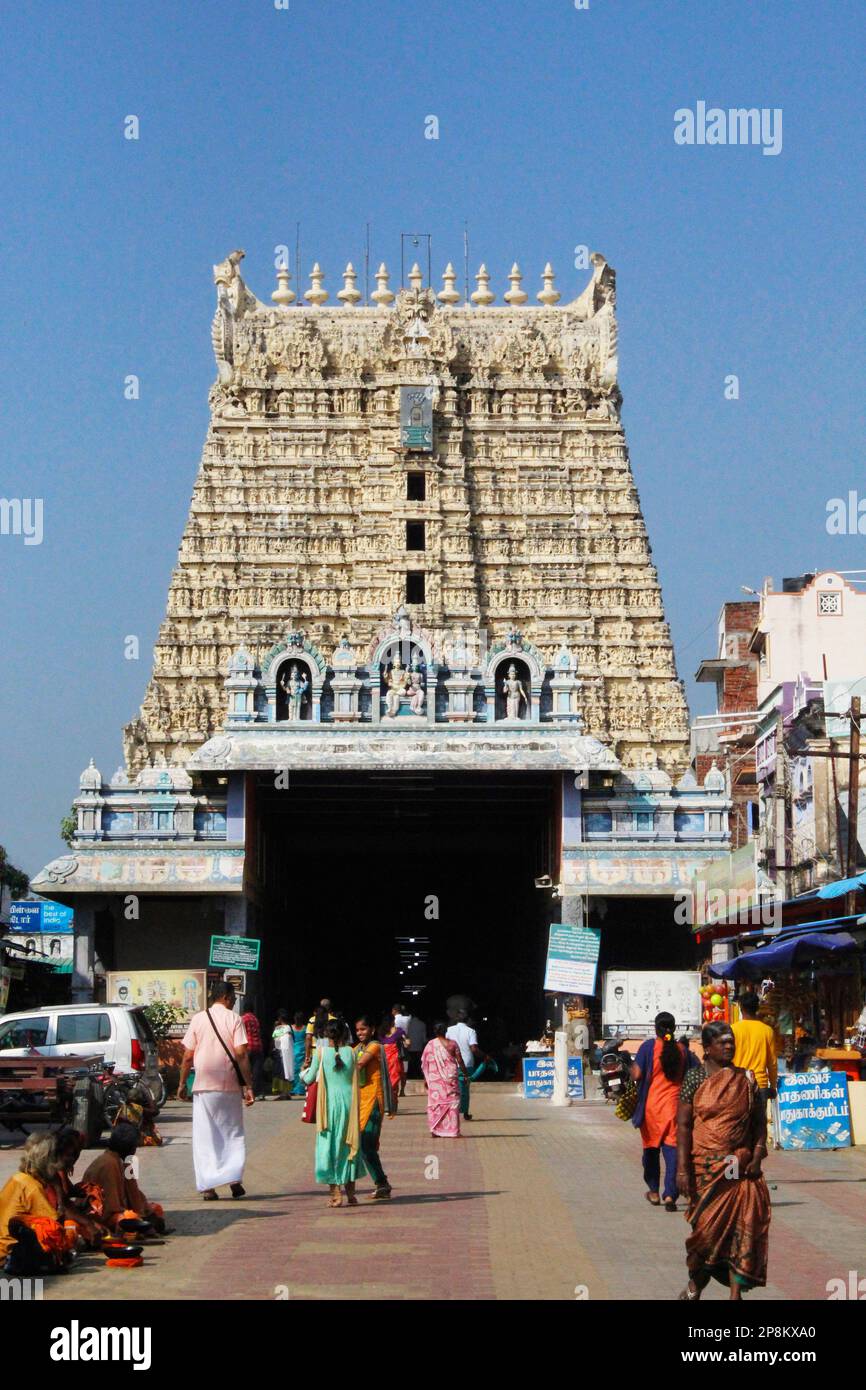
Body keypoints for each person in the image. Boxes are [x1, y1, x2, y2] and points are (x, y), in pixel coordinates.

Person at [676, 1022, 771, 1301]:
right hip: (704, 1167)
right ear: (707, 1048)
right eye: (722, 1042)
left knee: (741, 1227)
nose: (729, 1046)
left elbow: (758, 1123)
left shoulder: (747, 1079)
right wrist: (681, 1169)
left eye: (731, 1042)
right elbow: (682, 1125)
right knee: (705, 1235)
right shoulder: (695, 1078)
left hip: (737, 1166)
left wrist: (757, 1151)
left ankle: (735, 1293)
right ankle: (696, 1286)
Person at [179, 979, 254, 1201]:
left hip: (203, 1088)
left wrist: (182, 1084)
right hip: (229, 1087)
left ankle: (208, 1187)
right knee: (232, 1133)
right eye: (232, 1000)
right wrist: (248, 1085)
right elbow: (241, 1053)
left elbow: (187, 1056)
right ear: (227, 998)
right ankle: (234, 1180)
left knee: (206, 1137)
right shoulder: (234, 1019)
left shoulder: (198, 1019)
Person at [631, 1012, 696, 1212]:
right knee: (672, 1153)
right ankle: (670, 1195)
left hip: (651, 1110)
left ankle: (653, 1191)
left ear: (656, 1029)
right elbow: (698, 1070)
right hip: (675, 1109)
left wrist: (630, 1067)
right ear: (674, 1028)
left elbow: (638, 1074)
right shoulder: (683, 1051)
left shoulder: (649, 1047)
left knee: (650, 1152)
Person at [300, 1018, 361, 1207]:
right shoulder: (352, 1053)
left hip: (328, 1107)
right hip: (349, 1105)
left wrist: (303, 1071)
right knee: (348, 1146)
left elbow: (309, 1079)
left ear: (326, 1036)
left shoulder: (321, 1052)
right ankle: (351, 1195)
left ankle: (335, 1195)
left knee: (329, 1148)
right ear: (345, 1034)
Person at [0, 1133, 75, 1275]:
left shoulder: (17, 1178)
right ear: (48, 1161)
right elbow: (55, 1230)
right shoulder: (33, 1187)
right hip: (8, 1253)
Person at [82, 1122, 167, 1235]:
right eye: (135, 1146)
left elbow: (135, 1194)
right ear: (129, 1147)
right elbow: (112, 1207)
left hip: (120, 1209)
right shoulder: (109, 1164)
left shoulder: (124, 1160)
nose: (135, 1150)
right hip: (101, 1215)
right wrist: (140, 1219)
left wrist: (146, 1213)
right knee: (128, 1218)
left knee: (156, 1209)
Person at [354, 1015, 395, 1199]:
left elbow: (359, 1064)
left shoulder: (374, 1046)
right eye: (357, 1030)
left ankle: (382, 1183)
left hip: (373, 1101)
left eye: (363, 1029)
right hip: (361, 1101)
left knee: (366, 1144)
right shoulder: (357, 1048)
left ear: (371, 1029)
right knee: (364, 1145)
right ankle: (381, 1183)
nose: (360, 1033)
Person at [732, 991, 778, 1108]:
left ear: (741, 1008)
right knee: (759, 1125)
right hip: (760, 1084)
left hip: (737, 1084)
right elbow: (772, 1063)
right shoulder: (767, 1031)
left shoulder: (733, 1029)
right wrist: (773, 1086)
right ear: (757, 1008)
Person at [421, 1022, 465, 1137]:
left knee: (436, 1104)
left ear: (435, 1032)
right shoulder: (452, 1044)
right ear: (446, 1031)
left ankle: (435, 1130)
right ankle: (453, 1130)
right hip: (451, 1078)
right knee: (453, 1103)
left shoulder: (430, 1045)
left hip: (435, 1080)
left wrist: (426, 1078)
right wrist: (466, 1074)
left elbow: (425, 1063)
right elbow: (460, 1060)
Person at [446, 1010, 484, 1119]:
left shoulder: (449, 1030)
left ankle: (452, 1111)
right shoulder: (471, 1031)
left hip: (452, 1062)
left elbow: (446, 1045)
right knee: (465, 1089)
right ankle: (465, 1113)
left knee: (452, 1088)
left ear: (457, 1019)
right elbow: (474, 1049)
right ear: (468, 1020)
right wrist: (484, 1056)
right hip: (467, 1063)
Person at [379, 1013, 408, 1106]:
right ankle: (393, 1104)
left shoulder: (381, 1033)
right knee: (394, 1082)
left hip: (384, 1060)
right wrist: (406, 1042)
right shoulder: (398, 1031)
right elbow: (407, 1041)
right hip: (394, 1061)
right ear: (392, 1021)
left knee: (385, 1082)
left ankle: (388, 1104)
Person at [241, 997, 266, 1100]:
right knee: (257, 1071)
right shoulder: (255, 1019)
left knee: (246, 1070)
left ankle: (247, 1091)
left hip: (247, 1047)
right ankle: (258, 1092)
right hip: (258, 1046)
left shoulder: (243, 1018)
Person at [271, 1008, 295, 1099]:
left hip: (280, 1053)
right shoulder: (289, 1028)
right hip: (288, 1053)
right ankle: (287, 1092)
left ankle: (283, 1093)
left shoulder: (279, 1028)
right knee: (287, 1072)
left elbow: (274, 1040)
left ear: (280, 1019)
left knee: (281, 1073)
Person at [291, 1010, 309, 1096]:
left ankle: (293, 1089)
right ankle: (300, 1089)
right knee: (302, 1070)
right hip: (302, 1050)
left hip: (293, 1050)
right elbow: (307, 1041)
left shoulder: (291, 1028)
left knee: (293, 1070)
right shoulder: (305, 1028)